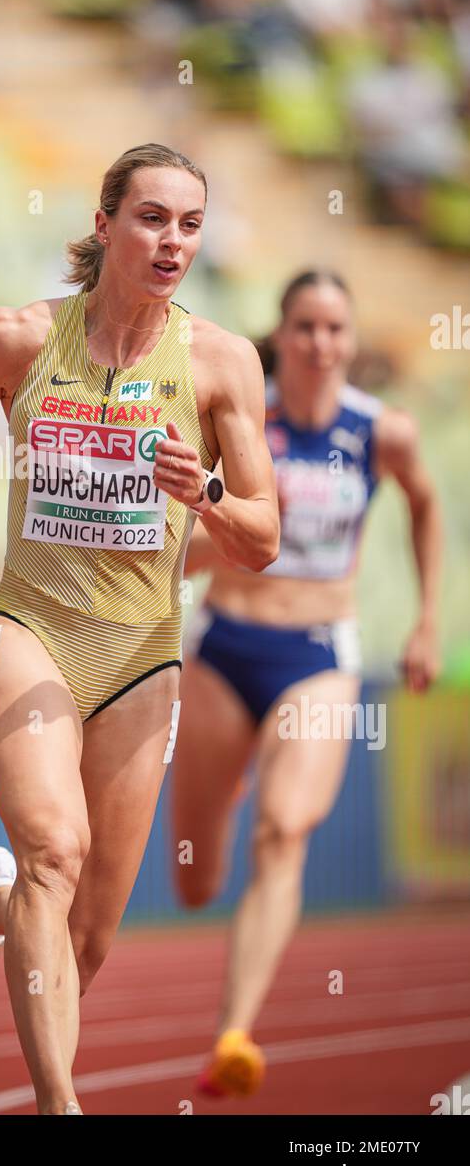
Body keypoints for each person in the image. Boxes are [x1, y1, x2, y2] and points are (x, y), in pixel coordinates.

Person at [0, 143, 279, 1115]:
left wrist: (208, 496)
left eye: (190, 224)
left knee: (85, 934)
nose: (172, 241)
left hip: (140, 655)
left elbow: (262, 538)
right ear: (104, 222)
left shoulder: (221, 363)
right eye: (152, 217)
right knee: (52, 855)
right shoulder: (18, 339)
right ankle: (60, 1108)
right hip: (28, 625)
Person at [171, 269, 442, 1097]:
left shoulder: (380, 432)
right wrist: (228, 517)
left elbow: (425, 504)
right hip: (224, 650)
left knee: (285, 832)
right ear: (279, 337)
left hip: (319, 654)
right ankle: (229, 780)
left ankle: (233, 1035)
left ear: (351, 343)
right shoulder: (242, 424)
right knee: (195, 881)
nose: (321, 344)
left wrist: (428, 619)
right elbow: (181, 548)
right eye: (305, 328)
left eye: (335, 329)